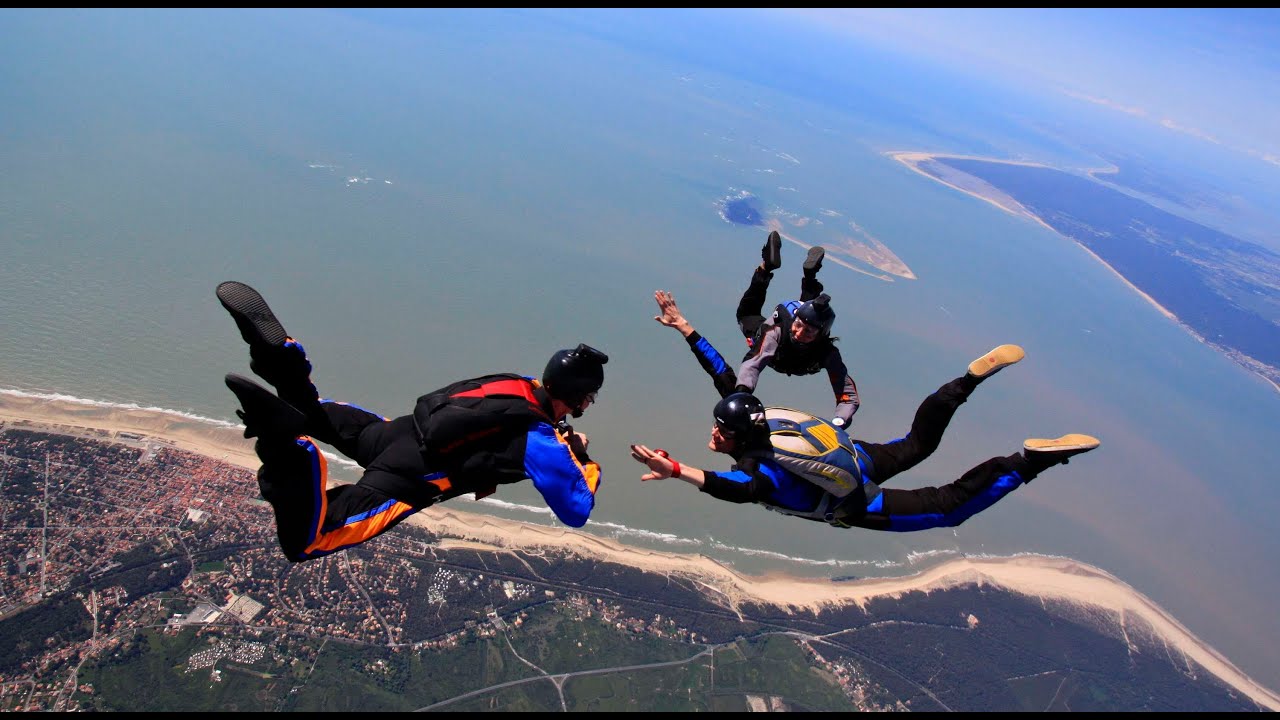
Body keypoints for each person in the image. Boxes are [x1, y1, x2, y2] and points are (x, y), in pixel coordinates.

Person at [216, 281, 606, 562]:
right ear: (577, 399)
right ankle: (288, 450)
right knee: (308, 542)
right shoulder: (542, 442)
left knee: (311, 412)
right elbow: (575, 511)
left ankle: (281, 358)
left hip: (392, 433)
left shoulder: (516, 385)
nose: (588, 404)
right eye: (588, 398)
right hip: (407, 479)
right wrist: (582, 459)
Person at [630, 335, 1099, 531]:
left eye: (720, 432)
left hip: (856, 500)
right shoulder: (759, 415)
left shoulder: (758, 469)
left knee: (946, 508)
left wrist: (677, 470)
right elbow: (724, 376)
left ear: (738, 437)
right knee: (918, 444)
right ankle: (964, 384)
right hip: (856, 455)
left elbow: (736, 489)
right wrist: (688, 330)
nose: (714, 435)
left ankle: (1027, 463)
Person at [733, 230, 860, 426]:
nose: (799, 333)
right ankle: (773, 269)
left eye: (808, 332)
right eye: (798, 325)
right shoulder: (776, 332)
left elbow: (846, 393)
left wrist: (840, 420)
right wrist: (743, 393)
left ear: (820, 335)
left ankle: (783, 271)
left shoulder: (828, 353)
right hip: (778, 346)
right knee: (747, 314)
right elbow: (754, 362)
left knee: (804, 308)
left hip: (791, 356)